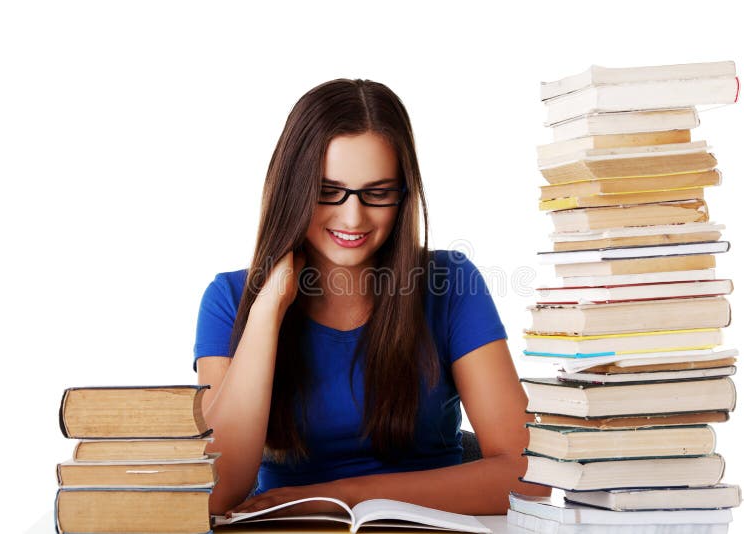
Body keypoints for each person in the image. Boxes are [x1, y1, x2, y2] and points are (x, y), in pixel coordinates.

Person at [193, 78, 549, 517]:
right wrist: (268, 309)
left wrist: (344, 496)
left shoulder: (451, 281)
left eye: (377, 193)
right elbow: (217, 492)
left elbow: (528, 476)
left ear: (403, 195)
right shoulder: (228, 298)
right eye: (327, 192)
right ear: (293, 190)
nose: (353, 216)